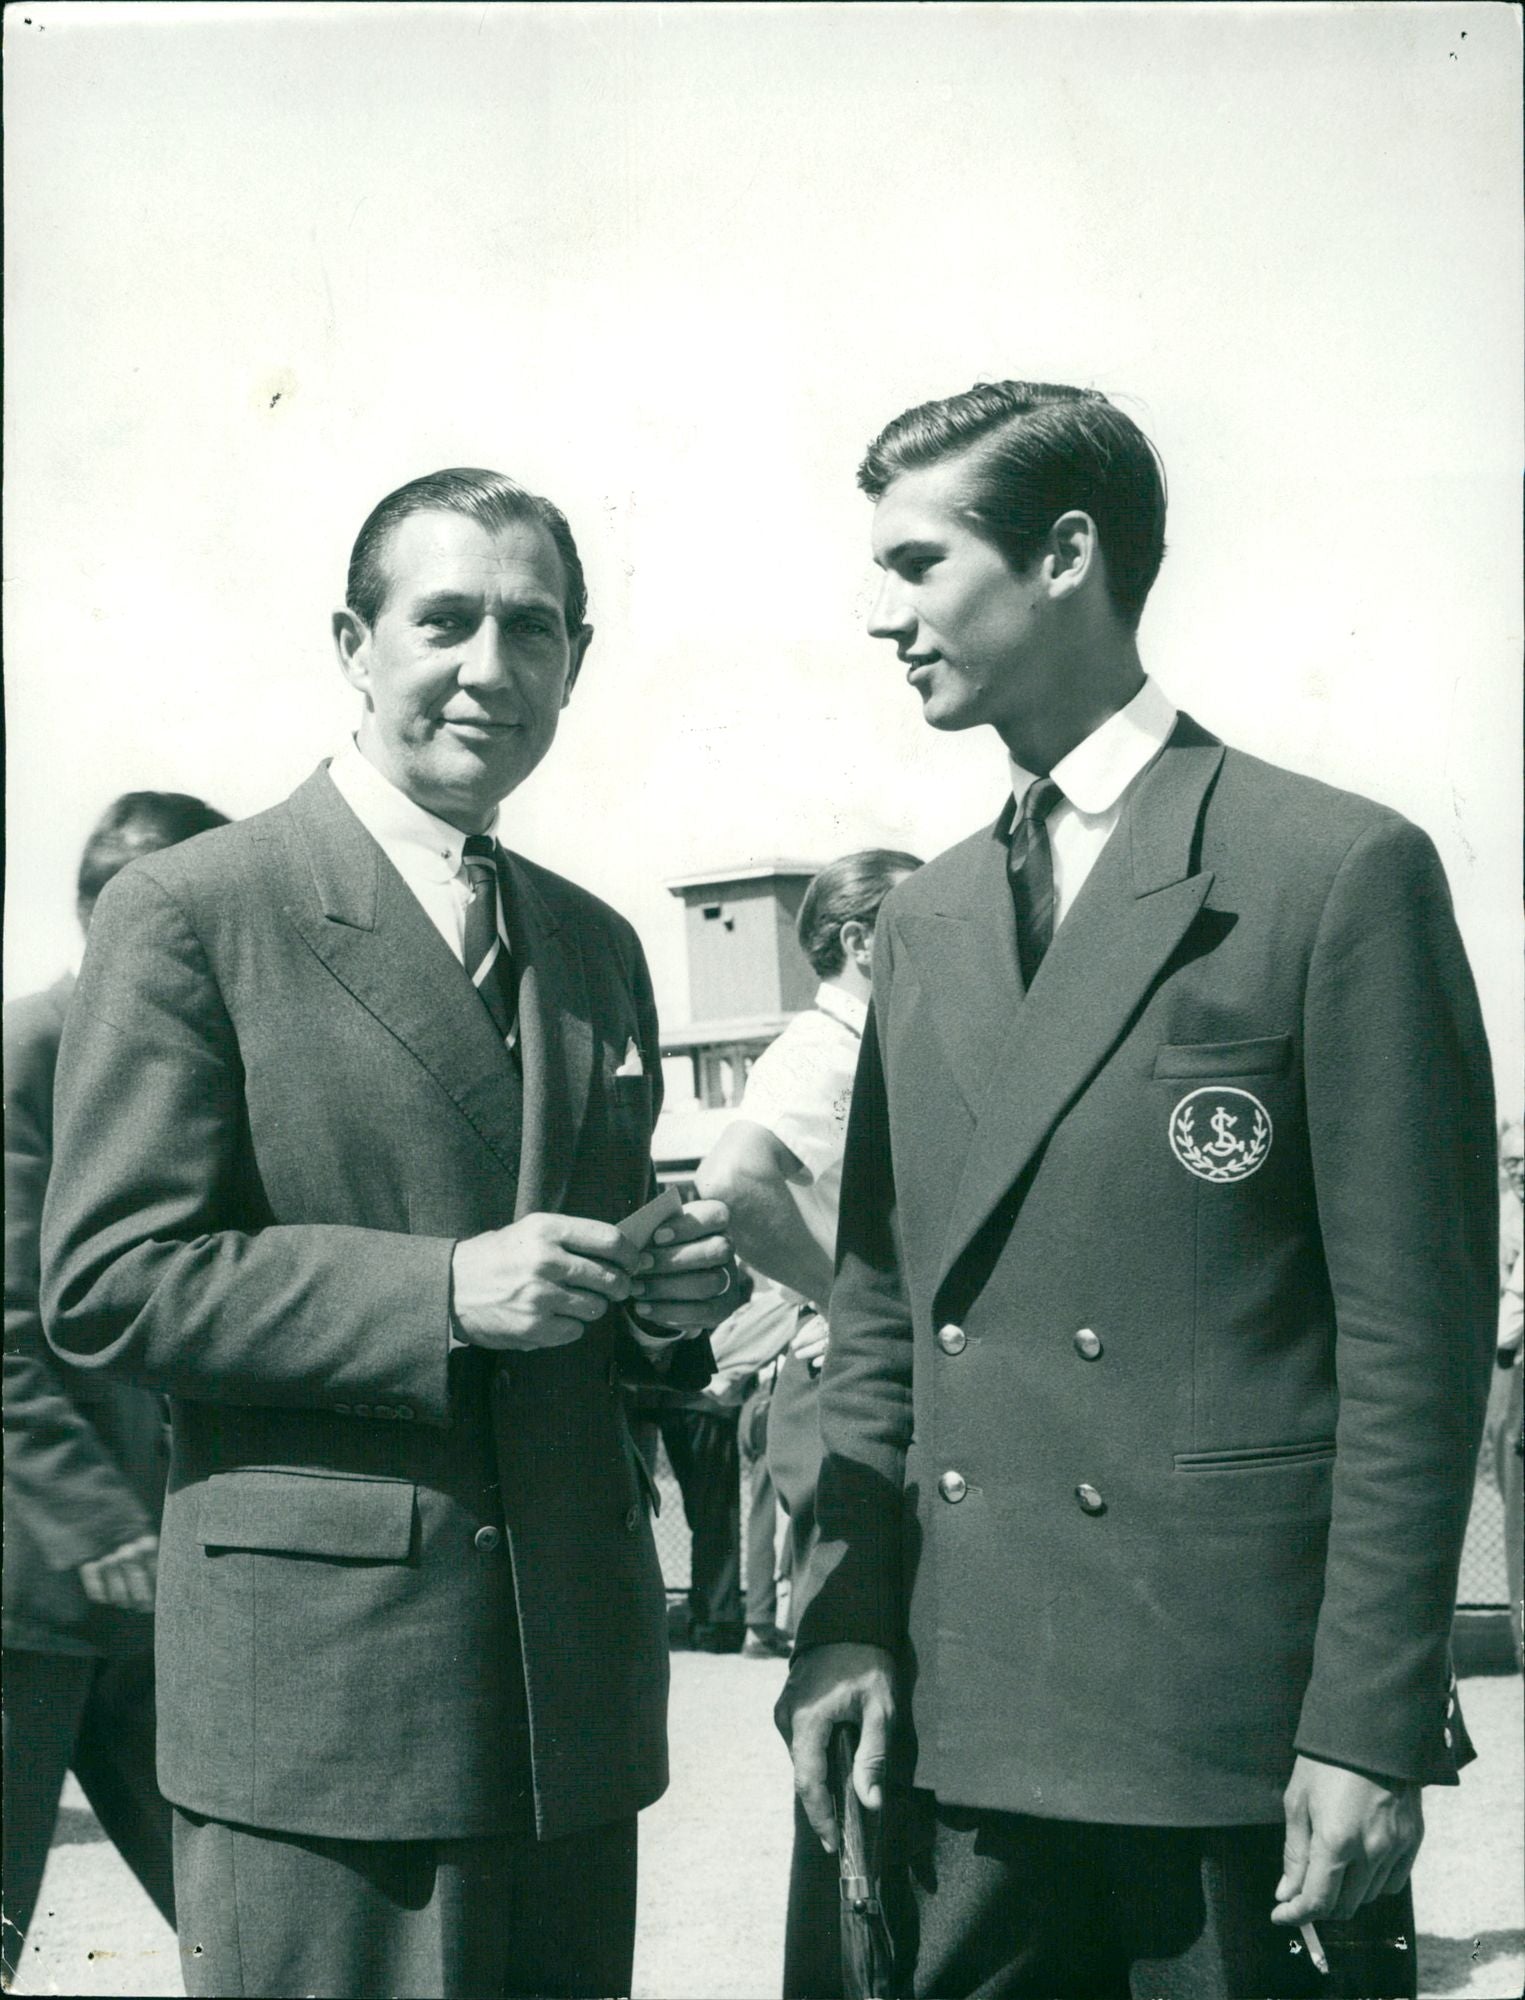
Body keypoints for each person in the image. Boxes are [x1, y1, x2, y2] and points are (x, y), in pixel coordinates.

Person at [775, 382, 1498, 2000]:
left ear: (1065, 557)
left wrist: (1370, 1726)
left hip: (1221, 1746)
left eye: (916, 564)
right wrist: (846, 1623)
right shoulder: (930, 920)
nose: (877, 614)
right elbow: (882, 1311)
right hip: (962, 1737)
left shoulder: (1329, 873)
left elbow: (1413, 1346)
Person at [40, 470, 735, 2000]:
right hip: (333, 1701)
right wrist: (436, 1293)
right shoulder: (195, 908)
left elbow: (587, 1273)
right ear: (354, 643)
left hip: (567, 1695)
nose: (492, 667)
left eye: (535, 629)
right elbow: (106, 1283)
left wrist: (663, 1298)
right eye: (447, 621)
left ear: (577, 659)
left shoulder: (594, 939)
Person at [3, 791, 227, 1987]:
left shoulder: (176, 1061)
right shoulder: (25, 1053)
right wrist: (100, 1521)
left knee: (246, 1919)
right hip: (31, 1593)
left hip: (148, 1597)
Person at [699, 846, 920, 1998]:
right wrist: (865, 1306)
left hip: (844, 1376)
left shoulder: (869, 1044)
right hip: (836, 1384)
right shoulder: (825, 1049)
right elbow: (736, 1182)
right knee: (854, 1688)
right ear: (853, 941)